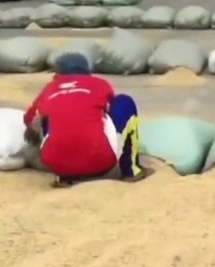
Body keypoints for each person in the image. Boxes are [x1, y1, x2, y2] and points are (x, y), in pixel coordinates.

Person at [22, 53, 150, 187]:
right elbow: (111, 110)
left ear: (58, 72)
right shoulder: (100, 84)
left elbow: (28, 118)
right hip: (101, 161)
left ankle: (64, 177)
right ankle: (131, 170)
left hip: (58, 165)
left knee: (51, 115)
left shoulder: (50, 88)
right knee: (124, 102)